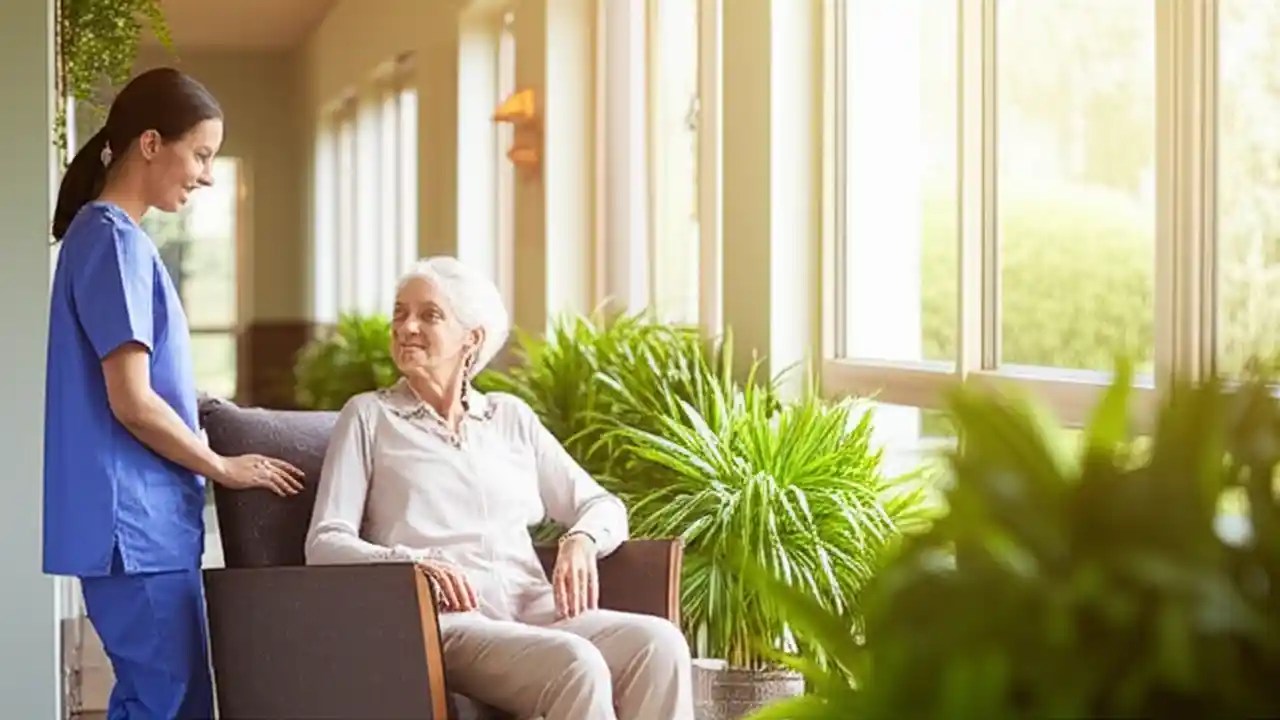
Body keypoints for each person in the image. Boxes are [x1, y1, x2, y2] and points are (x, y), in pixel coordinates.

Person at [305, 256, 694, 720]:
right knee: (576, 662)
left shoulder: (510, 417)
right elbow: (325, 541)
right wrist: (410, 560)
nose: (406, 327)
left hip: (535, 608)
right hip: (445, 623)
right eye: (399, 313)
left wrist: (582, 539)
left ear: (472, 338)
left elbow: (601, 504)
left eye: (429, 315)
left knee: (660, 643)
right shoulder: (370, 416)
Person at [43, 67, 305, 719]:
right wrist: (222, 466)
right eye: (202, 154)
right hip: (133, 526)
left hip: (136, 526)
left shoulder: (108, 240)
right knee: (170, 704)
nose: (208, 175)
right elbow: (130, 399)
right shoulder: (112, 241)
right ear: (152, 143)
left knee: (155, 699)